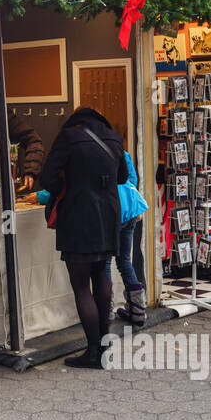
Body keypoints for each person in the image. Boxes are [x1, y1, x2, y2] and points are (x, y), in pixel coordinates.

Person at [38, 107, 127, 369]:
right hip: (109, 215)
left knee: (80, 285)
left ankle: (93, 351)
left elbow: (47, 178)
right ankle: (104, 342)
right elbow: (122, 177)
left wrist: (68, 185)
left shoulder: (68, 137)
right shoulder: (114, 138)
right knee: (102, 275)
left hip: (78, 215)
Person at [111, 147, 150, 327]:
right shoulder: (121, 151)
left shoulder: (88, 150)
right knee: (124, 261)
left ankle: (106, 312)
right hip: (131, 207)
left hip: (111, 210)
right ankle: (138, 311)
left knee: (104, 263)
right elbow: (132, 179)